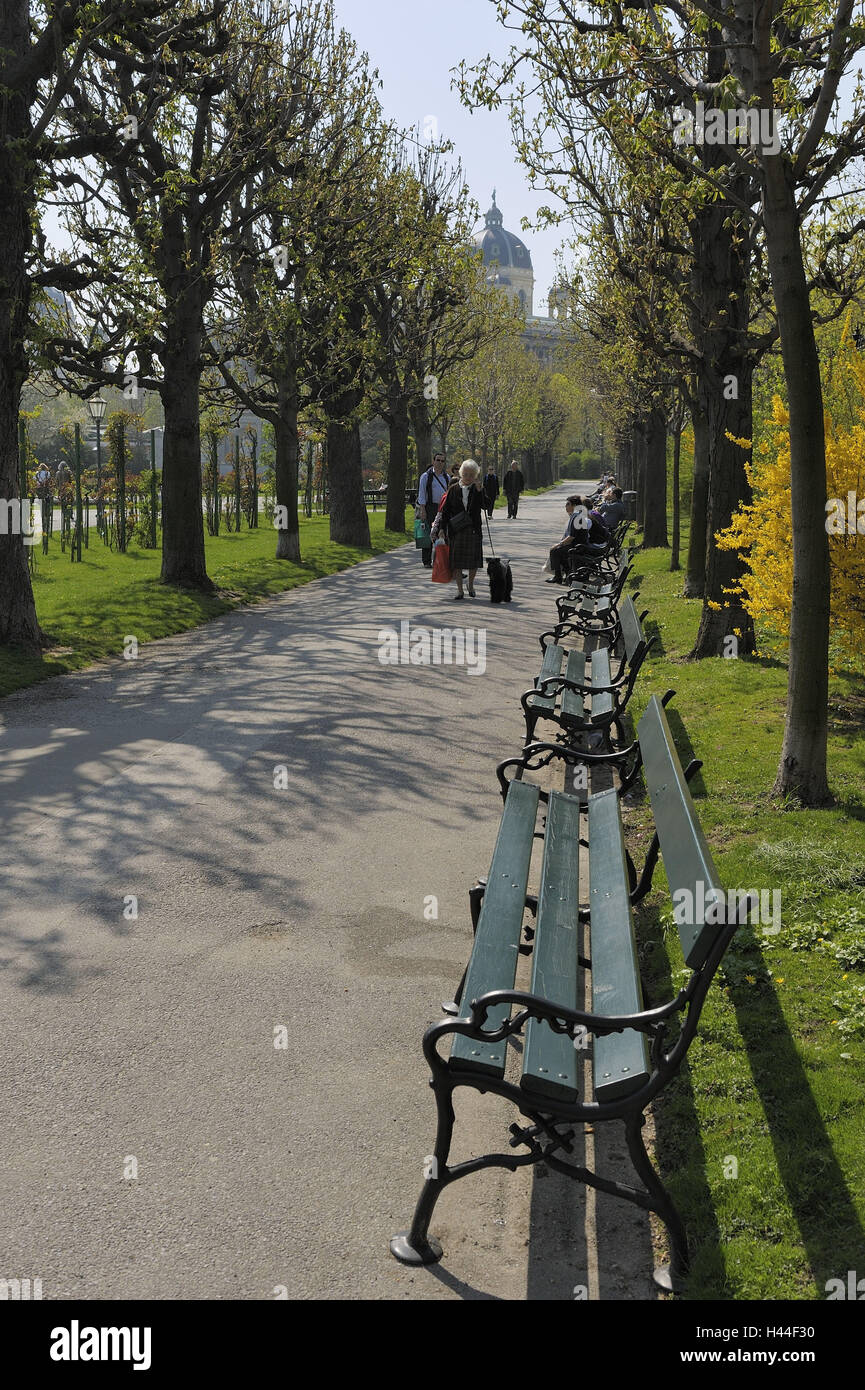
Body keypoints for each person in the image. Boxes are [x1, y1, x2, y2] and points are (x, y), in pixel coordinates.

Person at [432, 459, 484, 599]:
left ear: (475, 476)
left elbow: (485, 506)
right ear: (461, 474)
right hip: (457, 529)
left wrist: (480, 492)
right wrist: (442, 529)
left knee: (474, 561)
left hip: (473, 529)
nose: (468, 478)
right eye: (465, 474)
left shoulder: (477, 488)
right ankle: (460, 590)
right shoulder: (453, 490)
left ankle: (471, 585)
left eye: (471, 475)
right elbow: (446, 511)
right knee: (457, 562)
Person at [415, 452, 450, 568]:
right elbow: (422, 494)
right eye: (438, 460)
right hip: (430, 507)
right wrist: (423, 510)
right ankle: (426, 561)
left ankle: (441, 560)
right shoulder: (426, 476)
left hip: (443, 508)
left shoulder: (447, 477)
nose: (440, 463)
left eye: (442, 461)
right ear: (433, 461)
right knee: (428, 534)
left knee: (443, 533)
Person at [546, 496, 584, 583]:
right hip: (575, 544)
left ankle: (558, 576)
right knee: (559, 551)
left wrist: (559, 544)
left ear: (574, 506)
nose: (566, 506)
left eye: (568, 504)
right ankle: (566, 573)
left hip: (579, 546)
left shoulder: (577, 517)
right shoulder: (575, 515)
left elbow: (572, 537)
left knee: (554, 551)